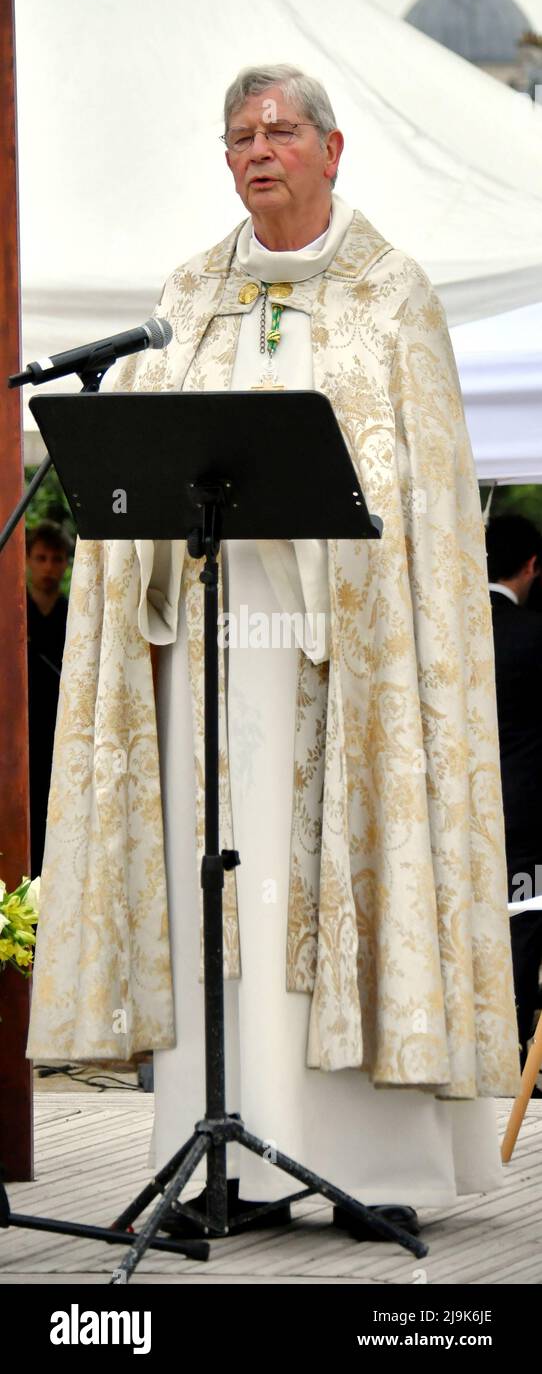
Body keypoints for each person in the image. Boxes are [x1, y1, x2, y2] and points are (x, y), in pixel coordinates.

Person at [27, 64, 520, 1236]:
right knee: (222, 898)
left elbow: (425, 501)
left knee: (342, 876)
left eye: (280, 129)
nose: (258, 149)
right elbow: (144, 444)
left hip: (344, 664)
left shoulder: (390, 296)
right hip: (207, 646)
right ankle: (229, 1164)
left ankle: (373, 1169)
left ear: (332, 150)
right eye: (239, 134)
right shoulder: (190, 294)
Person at [486, 513, 542, 1069]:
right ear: (532, 565)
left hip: (456, 808)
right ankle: (514, 1056)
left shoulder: (447, 628)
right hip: (524, 815)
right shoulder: (534, 635)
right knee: (524, 922)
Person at [25, 521, 70, 877]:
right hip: (20, 734)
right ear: (27, 561)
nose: (48, 568)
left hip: (61, 733)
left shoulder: (74, 616)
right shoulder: (13, 612)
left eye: (56, 559)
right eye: (41, 558)